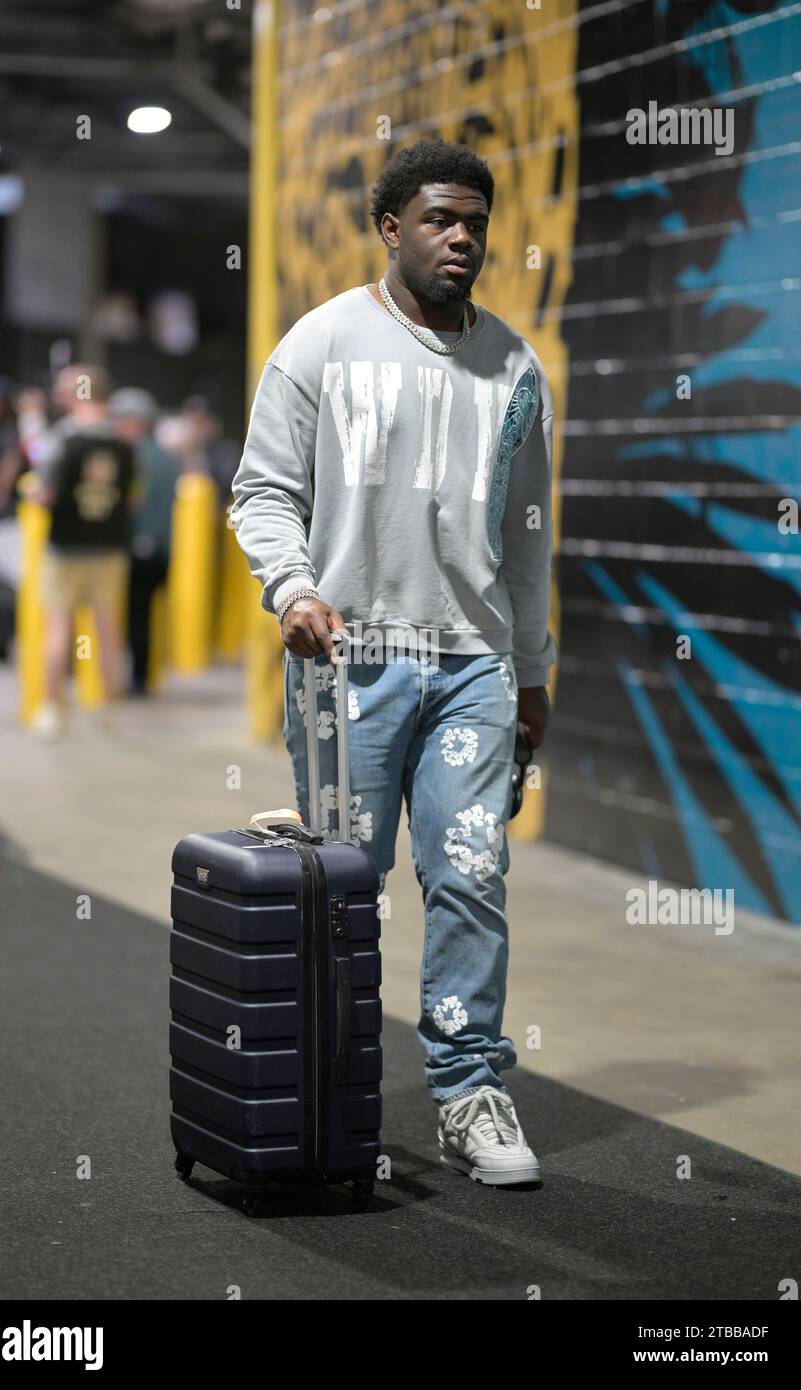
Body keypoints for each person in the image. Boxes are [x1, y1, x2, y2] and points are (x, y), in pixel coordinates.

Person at [230, 139, 557, 1187]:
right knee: (342, 896)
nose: (460, 237)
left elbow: (527, 535)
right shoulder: (321, 344)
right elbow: (262, 492)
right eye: (437, 220)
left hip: (471, 662)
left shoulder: (513, 367)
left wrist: (534, 671)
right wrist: (291, 588)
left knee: (469, 876)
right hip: (347, 664)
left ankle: (467, 1093)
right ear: (389, 227)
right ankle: (341, 1104)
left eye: (473, 221)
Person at [31, 365, 136, 738]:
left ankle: (51, 708)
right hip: (109, 549)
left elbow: (45, 494)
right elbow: (134, 498)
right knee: (108, 629)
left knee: (60, 627)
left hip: (66, 550)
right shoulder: (123, 443)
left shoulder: (63, 440)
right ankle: (110, 709)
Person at [108, 388, 179, 695]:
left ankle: (135, 679)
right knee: (145, 614)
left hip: (137, 547)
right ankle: (142, 675)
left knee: (133, 615)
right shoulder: (167, 458)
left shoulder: (135, 457)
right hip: (162, 548)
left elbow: (133, 502)